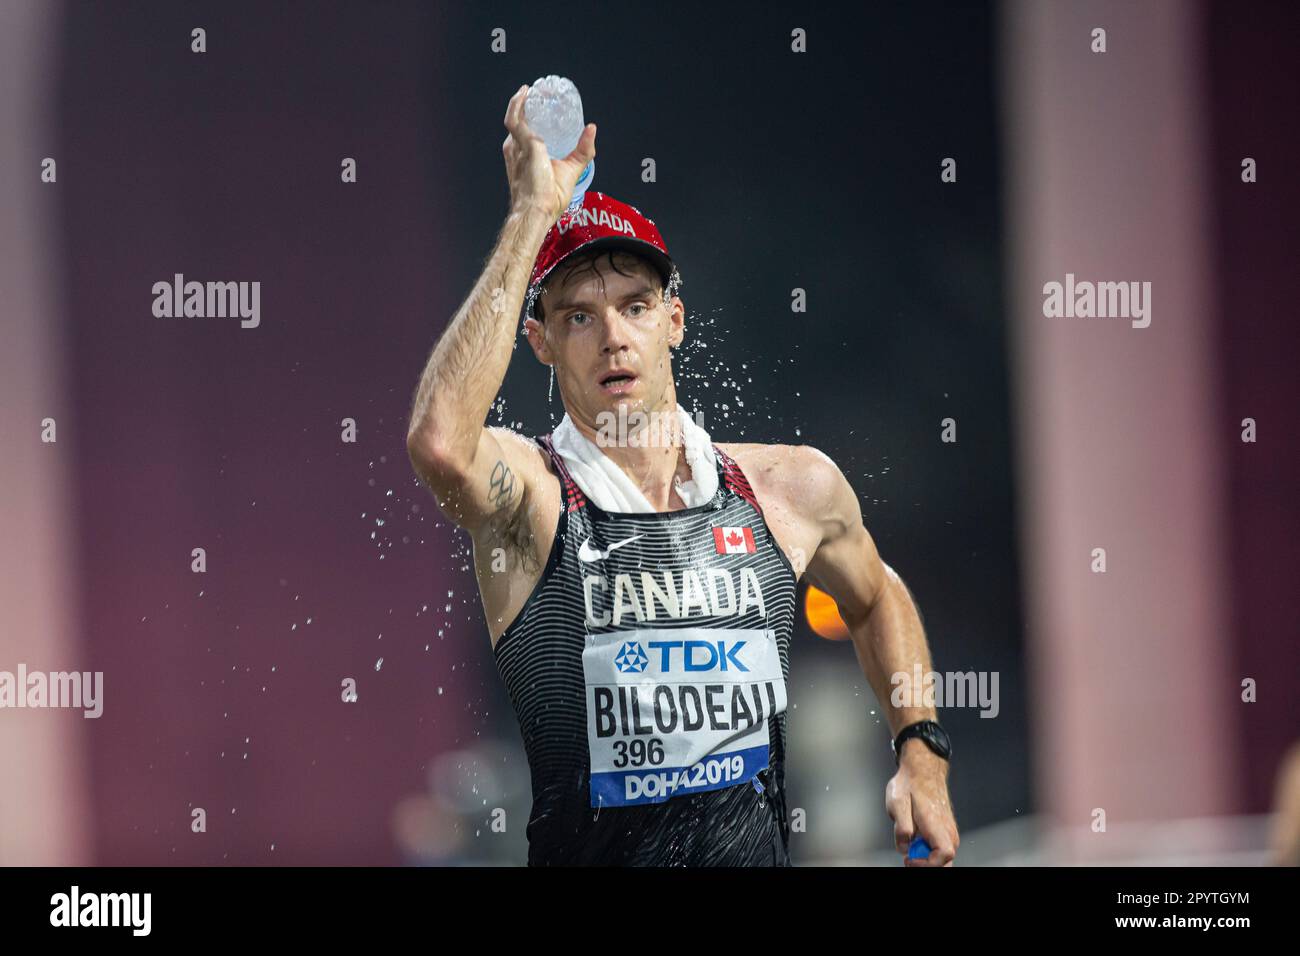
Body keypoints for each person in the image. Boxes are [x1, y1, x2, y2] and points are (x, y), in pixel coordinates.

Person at [405, 83, 959, 866]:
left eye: (634, 306)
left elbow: (877, 595)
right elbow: (440, 444)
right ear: (540, 341)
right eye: (578, 317)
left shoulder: (789, 489)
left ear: (675, 319)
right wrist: (532, 214)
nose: (613, 339)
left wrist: (921, 751)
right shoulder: (535, 500)